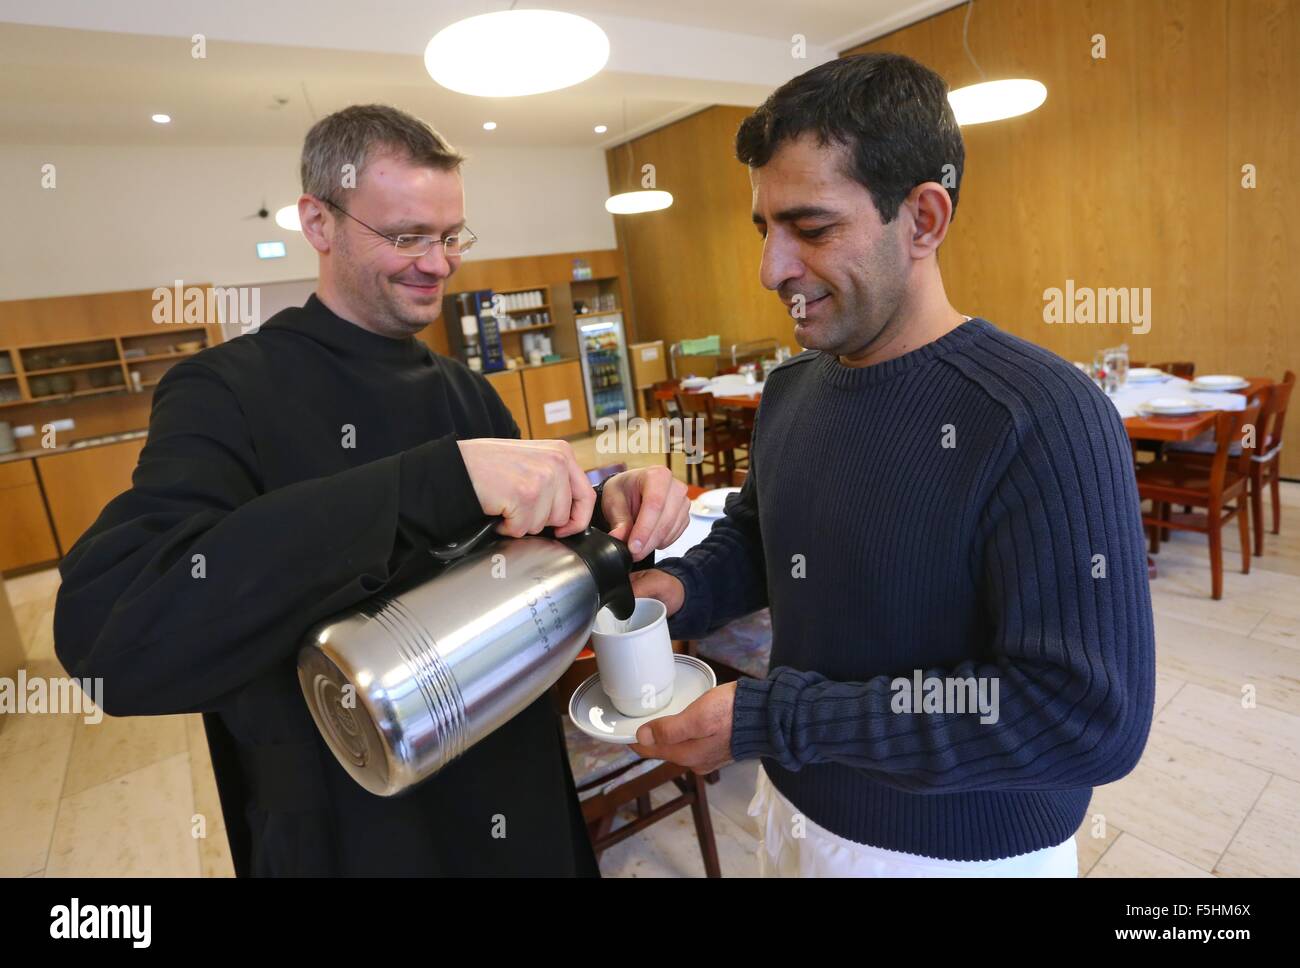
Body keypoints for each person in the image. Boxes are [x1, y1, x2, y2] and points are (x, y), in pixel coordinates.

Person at [53, 104, 690, 876]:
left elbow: (530, 572)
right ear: (317, 222)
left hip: (517, 799)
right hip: (354, 832)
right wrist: (427, 485)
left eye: (452, 236)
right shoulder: (225, 392)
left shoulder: (466, 394)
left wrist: (603, 502)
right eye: (406, 236)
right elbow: (111, 644)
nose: (439, 263)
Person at [628, 53, 1155, 877]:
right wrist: (681, 589)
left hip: (952, 853)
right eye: (765, 229)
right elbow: (762, 539)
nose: (772, 269)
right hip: (793, 810)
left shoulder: (1041, 416)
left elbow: (1079, 716)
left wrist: (782, 717)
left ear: (923, 219)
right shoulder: (791, 390)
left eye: (812, 227)